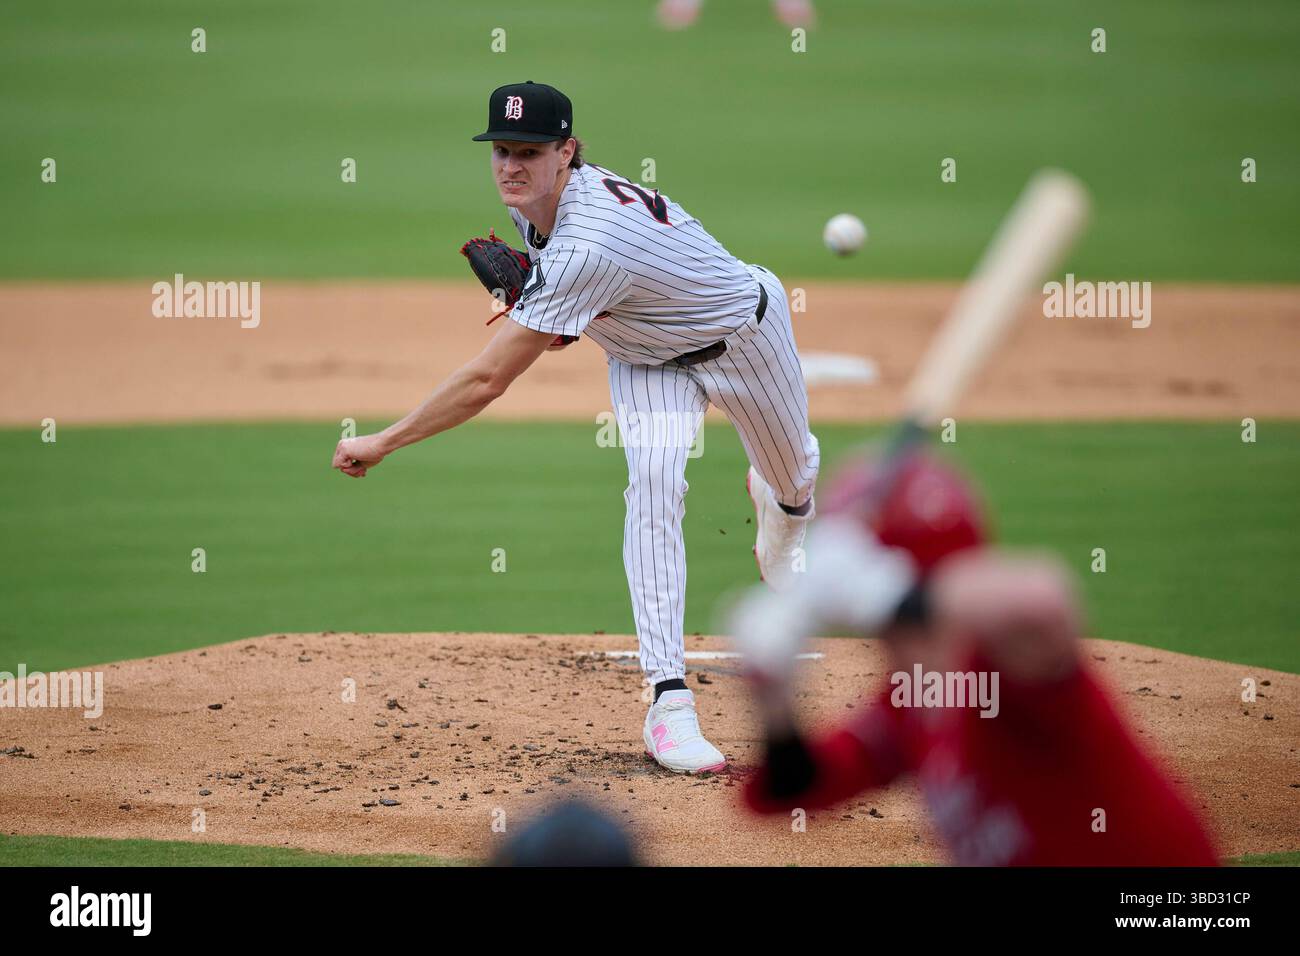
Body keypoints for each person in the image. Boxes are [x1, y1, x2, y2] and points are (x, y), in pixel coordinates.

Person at [332, 81, 820, 774]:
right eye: (501, 150)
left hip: (747, 336)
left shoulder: (589, 238)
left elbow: (487, 379)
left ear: (567, 151)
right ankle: (669, 701)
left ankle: (785, 509)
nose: (510, 166)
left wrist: (382, 441)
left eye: (528, 152)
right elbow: (585, 309)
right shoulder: (541, 207)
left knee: (795, 474)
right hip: (648, 361)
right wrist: (548, 306)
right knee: (652, 483)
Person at [729, 448, 1219, 865]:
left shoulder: (1009, 671)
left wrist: (897, 594)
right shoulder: (911, 701)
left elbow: (1045, 600)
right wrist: (772, 698)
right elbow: (785, 793)